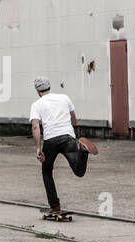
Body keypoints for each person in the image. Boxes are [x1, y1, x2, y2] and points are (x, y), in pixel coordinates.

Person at [29, 76, 98, 215]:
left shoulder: (37, 104)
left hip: (51, 141)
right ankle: (83, 153)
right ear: (49, 86)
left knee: (47, 171)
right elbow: (74, 119)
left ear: (37, 90)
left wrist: (38, 148)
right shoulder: (64, 98)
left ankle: (55, 206)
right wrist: (69, 128)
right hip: (68, 138)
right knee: (79, 171)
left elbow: (36, 127)